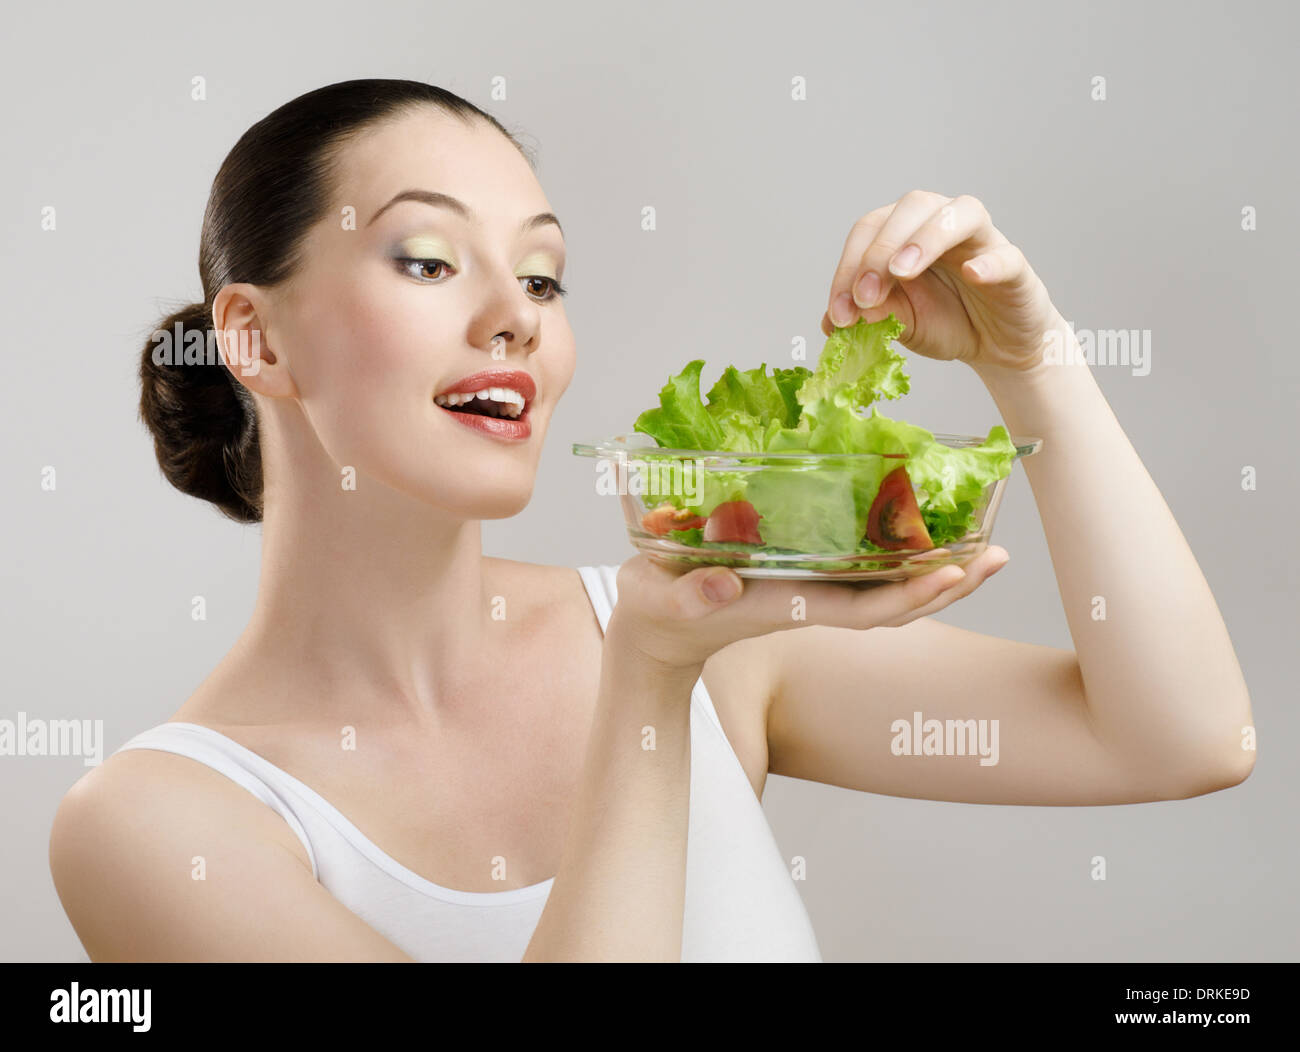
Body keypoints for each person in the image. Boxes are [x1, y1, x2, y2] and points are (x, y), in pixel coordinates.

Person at [48, 78, 1254, 963]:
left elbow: (1179, 738)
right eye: (425, 259)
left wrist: (1031, 363)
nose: (515, 316)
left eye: (542, 273)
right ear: (253, 336)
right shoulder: (159, 826)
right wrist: (646, 678)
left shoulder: (707, 635)